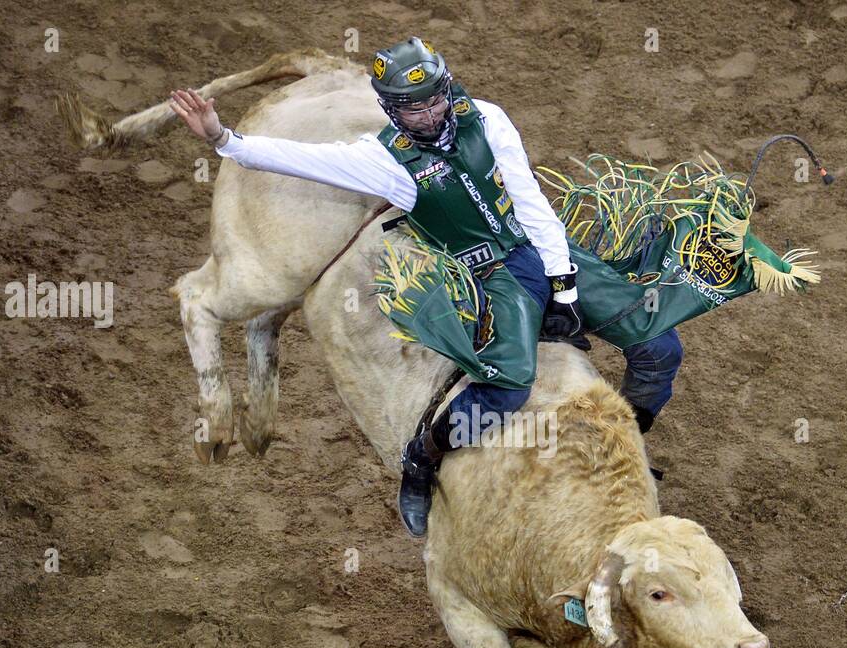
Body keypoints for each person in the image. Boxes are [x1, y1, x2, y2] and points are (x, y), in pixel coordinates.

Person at [169, 37, 683, 536]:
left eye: (436, 97)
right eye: (414, 107)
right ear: (392, 111)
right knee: (507, 388)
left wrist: (564, 288)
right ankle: (419, 463)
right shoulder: (382, 161)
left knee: (661, 346)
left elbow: (529, 202)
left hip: (539, 248)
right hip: (491, 275)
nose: (432, 112)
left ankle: (627, 448)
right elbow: (299, 159)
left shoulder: (487, 117)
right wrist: (223, 139)